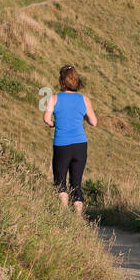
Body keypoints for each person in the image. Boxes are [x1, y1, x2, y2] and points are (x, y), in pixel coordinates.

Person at [44, 64, 97, 216]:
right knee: (76, 184)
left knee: (60, 182)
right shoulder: (84, 99)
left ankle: (63, 215)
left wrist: (54, 123)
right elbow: (93, 122)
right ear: (77, 80)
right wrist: (84, 116)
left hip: (62, 145)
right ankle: (78, 218)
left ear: (62, 81)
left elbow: (46, 118)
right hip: (80, 145)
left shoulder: (53, 98)